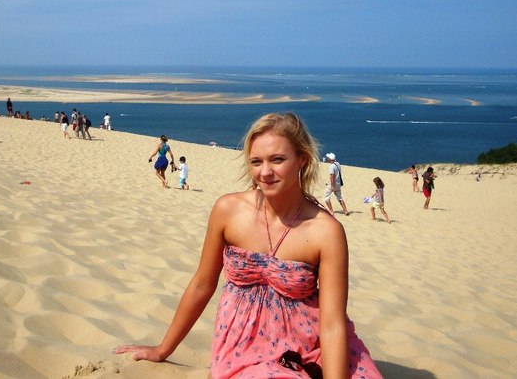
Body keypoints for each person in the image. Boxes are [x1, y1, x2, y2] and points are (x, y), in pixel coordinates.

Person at [115, 113, 382, 378]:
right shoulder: (228, 210)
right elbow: (202, 284)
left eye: (277, 159)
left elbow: (333, 323)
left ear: (302, 159)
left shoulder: (327, 231)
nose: (265, 172)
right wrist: (163, 349)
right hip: (245, 344)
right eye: (256, 161)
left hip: (315, 344)